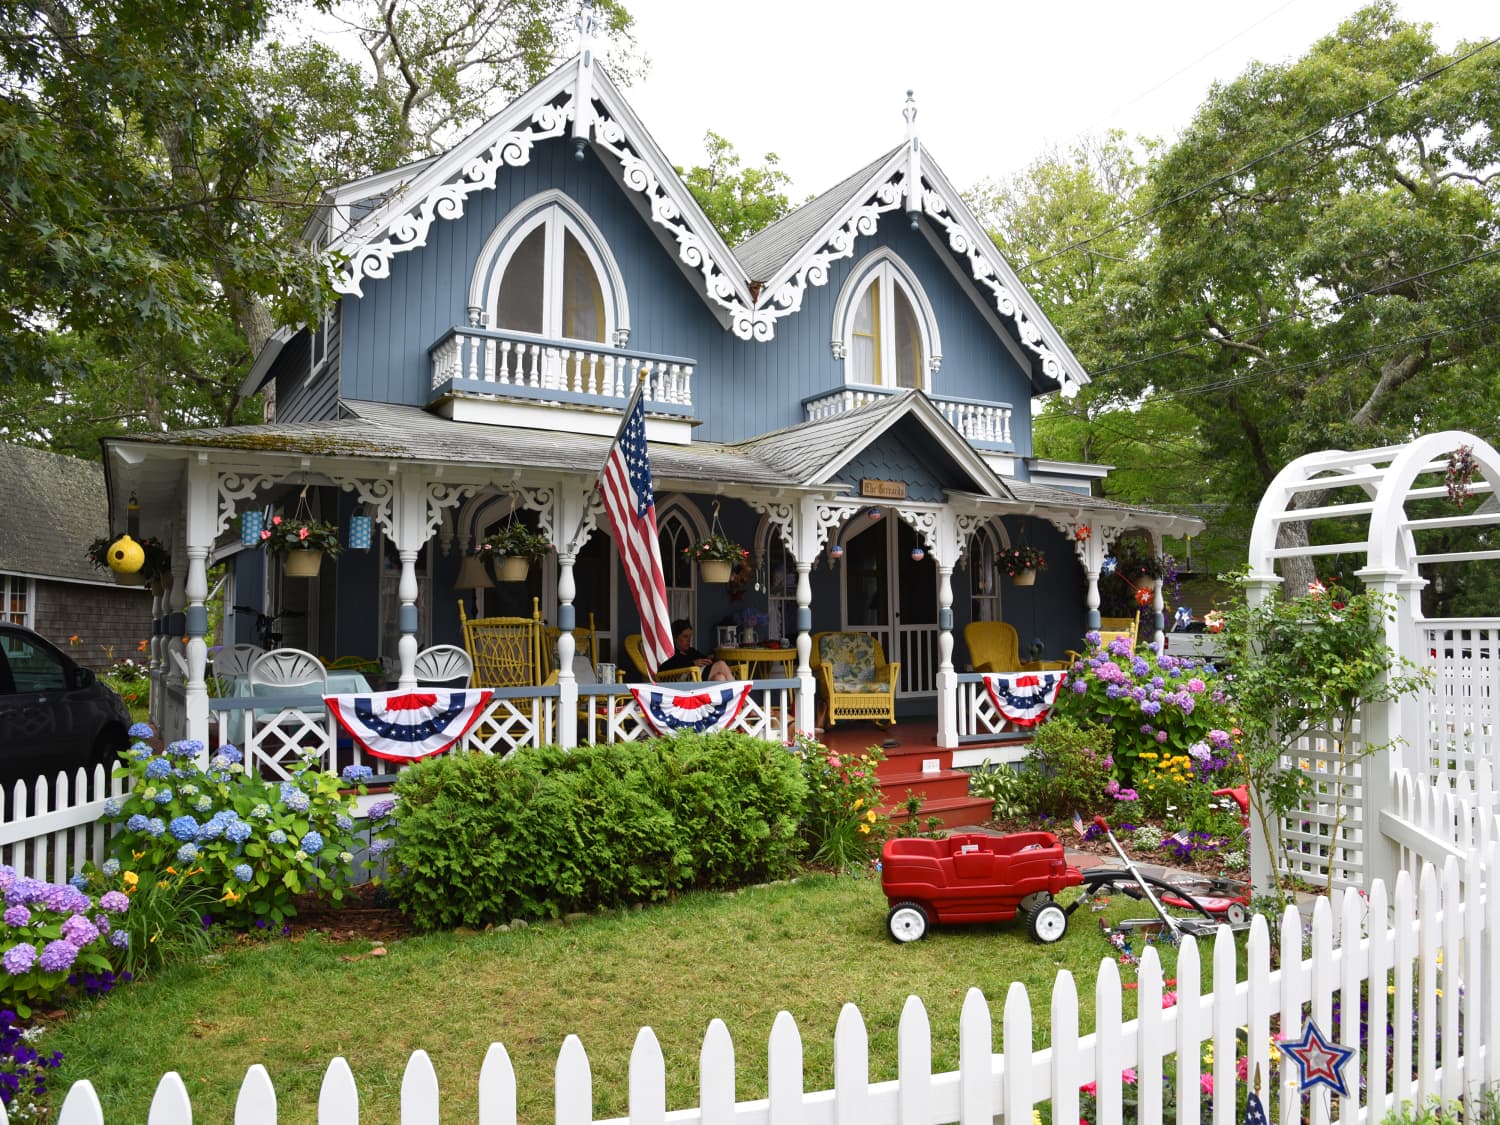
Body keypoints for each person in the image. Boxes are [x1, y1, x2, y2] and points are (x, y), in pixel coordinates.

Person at [659, 619, 734, 681]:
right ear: (675, 638)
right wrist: (692, 663)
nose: (689, 640)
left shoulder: (691, 651)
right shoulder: (669, 653)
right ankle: (741, 696)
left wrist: (709, 658)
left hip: (699, 678)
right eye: (685, 636)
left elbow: (704, 658)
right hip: (685, 681)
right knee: (721, 664)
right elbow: (665, 669)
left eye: (690, 637)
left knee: (720, 677)